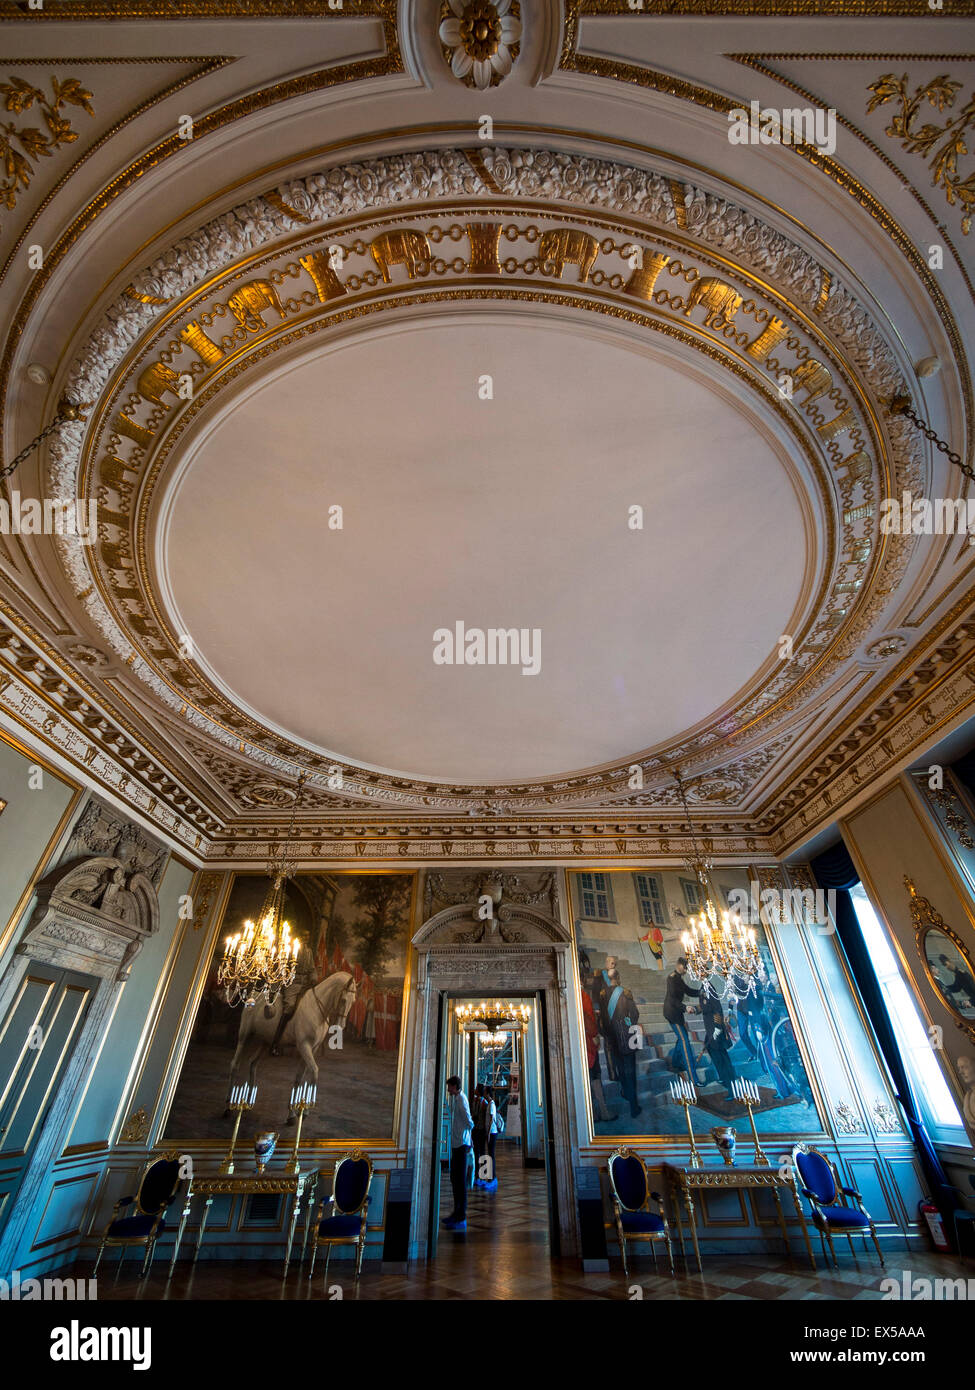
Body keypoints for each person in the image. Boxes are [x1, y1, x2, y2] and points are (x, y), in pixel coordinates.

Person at [270, 930, 316, 1056]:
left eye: (307, 935)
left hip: (305, 985)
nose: (305, 937)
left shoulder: (309, 951)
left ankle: (302, 1040)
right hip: (293, 983)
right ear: (299, 936)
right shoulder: (290, 949)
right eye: (303, 935)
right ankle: (275, 1042)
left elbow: (312, 969)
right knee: (289, 1007)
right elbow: (283, 966)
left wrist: (314, 977)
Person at [606, 969, 642, 1119]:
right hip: (627, 1037)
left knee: (621, 1068)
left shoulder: (603, 995)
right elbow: (635, 1014)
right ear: (618, 977)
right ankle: (634, 1106)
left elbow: (602, 1018)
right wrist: (629, 1024)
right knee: (630, 1071)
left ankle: (625, 1093)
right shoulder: (625, 993)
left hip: (613, 1038)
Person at [664, 956, 702, 1084]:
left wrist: (701, 991)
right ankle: (693, 1078)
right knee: (685, 1043)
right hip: (672, 1013)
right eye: (685, 968)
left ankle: (675, 1063)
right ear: (679, 965)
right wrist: (686, 1007)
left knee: (682, 1037)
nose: (686, 971)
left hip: (676, 1012)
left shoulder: (679, 978)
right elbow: (672, 1000)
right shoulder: (672, 978)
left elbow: (688, 991)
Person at [444, 1075, 473, 1230]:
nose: (448, 1089)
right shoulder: (457, 1099)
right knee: (455, 1179)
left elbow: (470, 1122)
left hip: (461, 1145)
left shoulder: (461, 1101)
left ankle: (461, 1216)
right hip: (457, 1144)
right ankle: (456, 1213)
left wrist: (467, 1137)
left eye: (449, 1086)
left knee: (460, 1181)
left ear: (454, 1086)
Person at [701, 994, 737, 1100]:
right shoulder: (704, 989)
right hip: (711, 1030)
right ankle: (725, 1079)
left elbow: (717, 1008)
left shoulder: (709, 989)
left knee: (723, 1061)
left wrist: (717, 1027)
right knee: (715, 1054)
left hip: (716, 1030)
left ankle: (731, 1088)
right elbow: (706, 1006)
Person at [471, 1082, 488, 1183]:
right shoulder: (475, 1101)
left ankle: (483, 1175)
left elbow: (477, 1115)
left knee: (482, 1152)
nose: (475, 1089)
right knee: (477, 1152)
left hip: (481, 1129)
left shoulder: (483, 1102)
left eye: (476, 1088)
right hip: (476, 1129)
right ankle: (477, 1174)